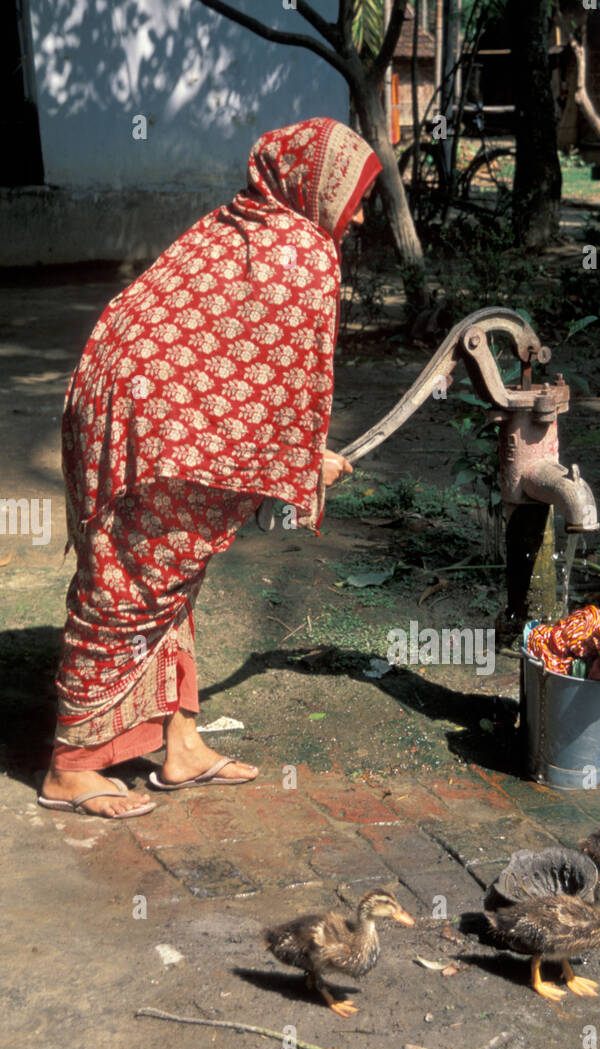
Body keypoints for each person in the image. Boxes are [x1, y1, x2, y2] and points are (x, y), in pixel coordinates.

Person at [39, 118, 381, 819]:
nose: (363, 211)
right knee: (129, 586)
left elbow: (235, 364)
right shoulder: (301, 250)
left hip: (118, 401)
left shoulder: (245, 217)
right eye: (355, 194)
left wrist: (292, 457)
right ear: (318, 187)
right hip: (156, 427)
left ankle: (181, 745)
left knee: (169, 582)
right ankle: (70, 766)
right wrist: (299, 464)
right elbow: (274, 384)